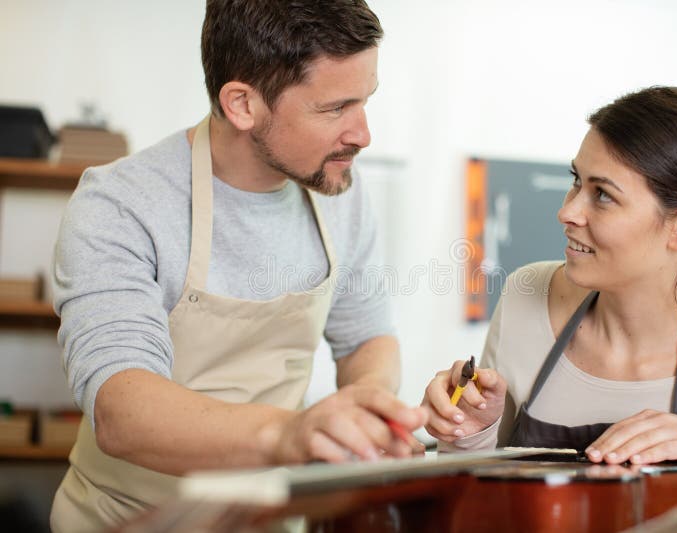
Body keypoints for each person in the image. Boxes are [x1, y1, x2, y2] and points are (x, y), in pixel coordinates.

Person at [50, 1, 427, 530]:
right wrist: (288, 435)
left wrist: (369, 406)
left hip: (267, 519)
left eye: (365, 101)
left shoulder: (339, 185)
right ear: (242, 104)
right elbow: (121, 411)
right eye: (335, 108)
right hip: (127, 519)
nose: (363, 134)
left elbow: (367, 337)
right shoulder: (121, 203)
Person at [422, 86, 677, 509]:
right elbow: (477, 503)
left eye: (602, 195)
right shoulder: (525, 295)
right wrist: (466, 431)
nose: (567, 211)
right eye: (576, 182)